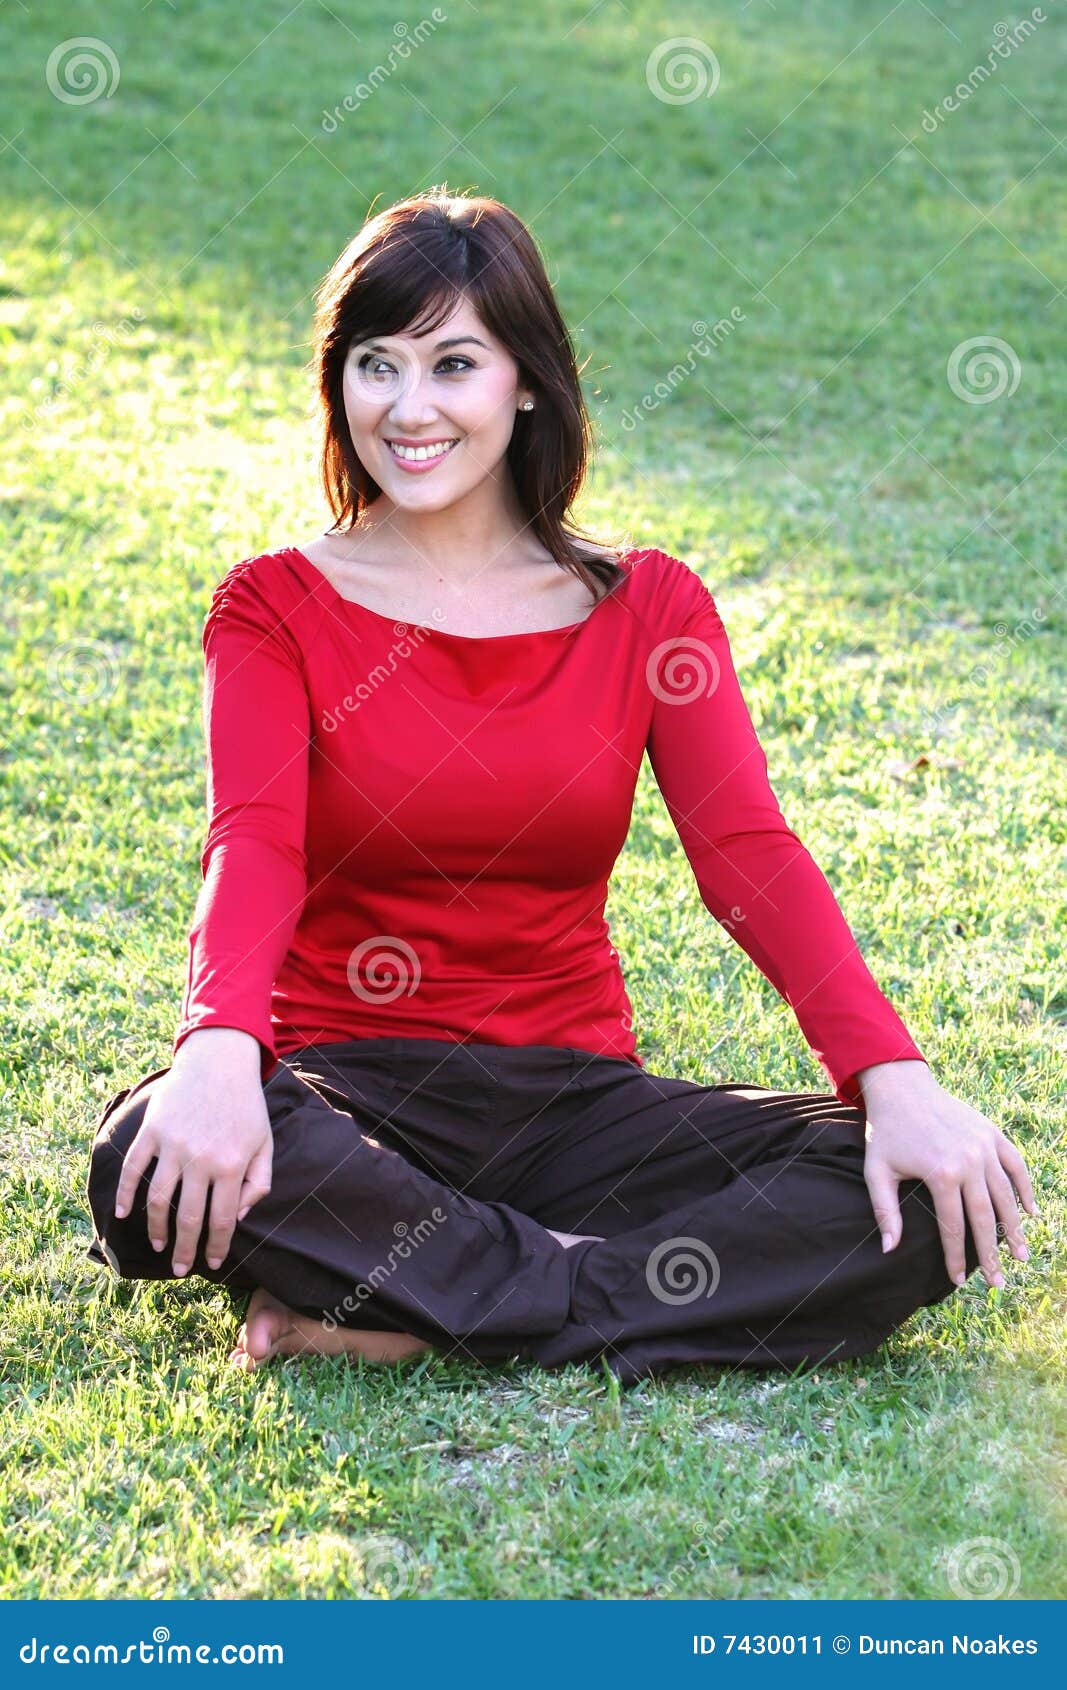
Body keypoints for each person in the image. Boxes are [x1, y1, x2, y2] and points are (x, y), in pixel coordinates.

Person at [84, 187, 1036, 1384]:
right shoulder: (273, 606)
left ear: (525, 382)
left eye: (453, 364)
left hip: (578, 1107)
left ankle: (425, 1301)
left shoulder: (648, 609)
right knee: (144, 1153)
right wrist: (218, 1051)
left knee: (913, 1190)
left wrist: (891, 1077)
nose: (408, 407)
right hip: (351, 1098)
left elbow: (746, 852)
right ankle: (589, 1289)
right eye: (376, 365)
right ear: (338, 382)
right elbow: (254, 841)